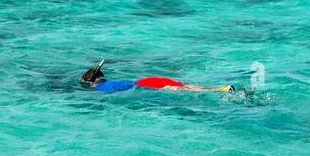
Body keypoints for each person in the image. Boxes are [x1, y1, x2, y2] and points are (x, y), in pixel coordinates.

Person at [79, 61, 233, 93]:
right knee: (184, 86)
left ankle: (220, 89)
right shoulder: (109, 83)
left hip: (145, 86)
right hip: (147, 80)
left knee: (183, 89)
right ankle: (221, 88)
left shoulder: (102, 88)